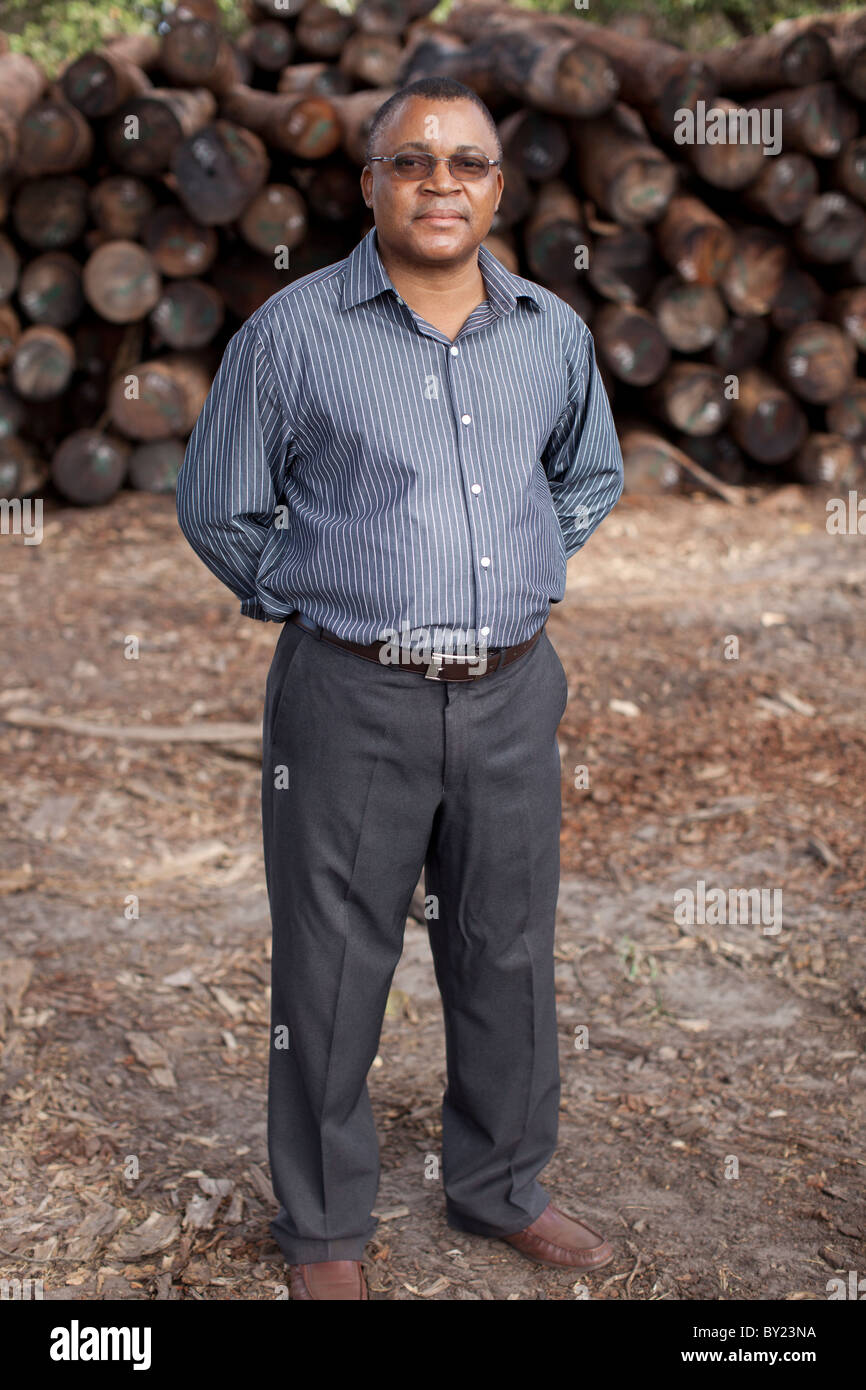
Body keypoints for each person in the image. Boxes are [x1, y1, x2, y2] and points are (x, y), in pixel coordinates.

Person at [176, 76, 625, 1302]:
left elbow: (586, 476)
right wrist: (317, 592)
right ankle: (323, 1226)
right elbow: (219, 505)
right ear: (368, 181)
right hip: (350, 694)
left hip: (511, 693)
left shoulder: (550, 332)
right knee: (331, 961)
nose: (441, 183)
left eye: (467, 163)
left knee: (505, 951)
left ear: (496, 187)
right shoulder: (291, 332)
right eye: (412, 161)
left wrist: (514, 580)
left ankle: (501, 1187)